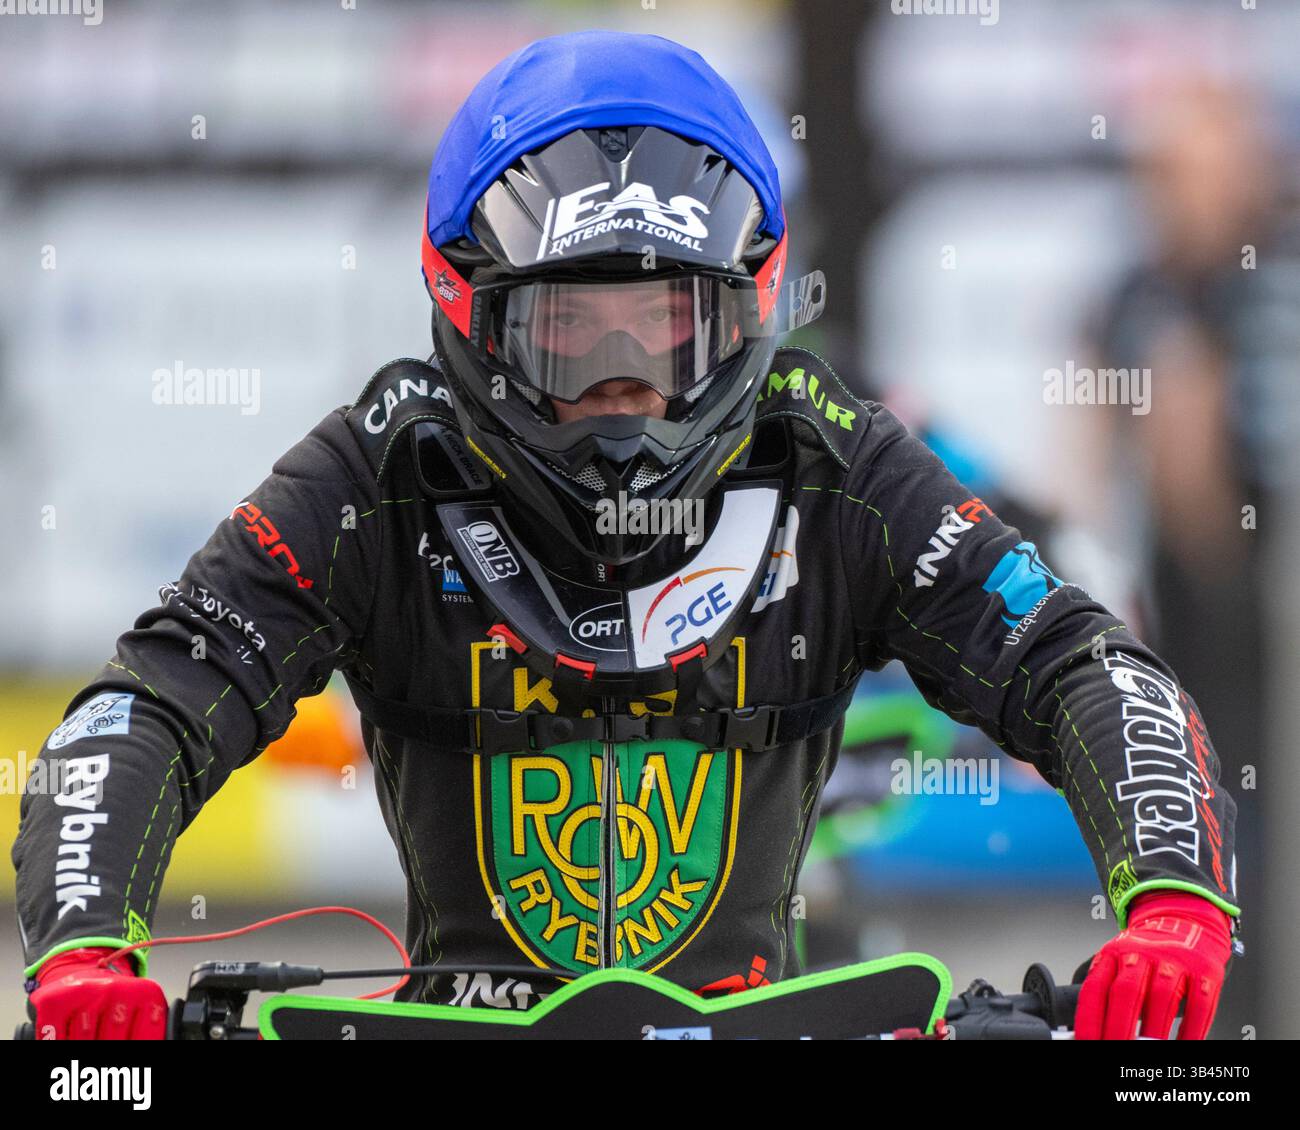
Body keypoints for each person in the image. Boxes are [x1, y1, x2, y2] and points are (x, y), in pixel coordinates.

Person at [14, 30, 1239, 1040]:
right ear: (469, 319)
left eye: (664, 330)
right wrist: (84, 945)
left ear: (751, 311)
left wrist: (1172, 900)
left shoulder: (834, 457)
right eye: (570, 336)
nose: (623, 389)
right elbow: (147, 703)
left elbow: (1086, 662)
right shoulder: (377, 466)